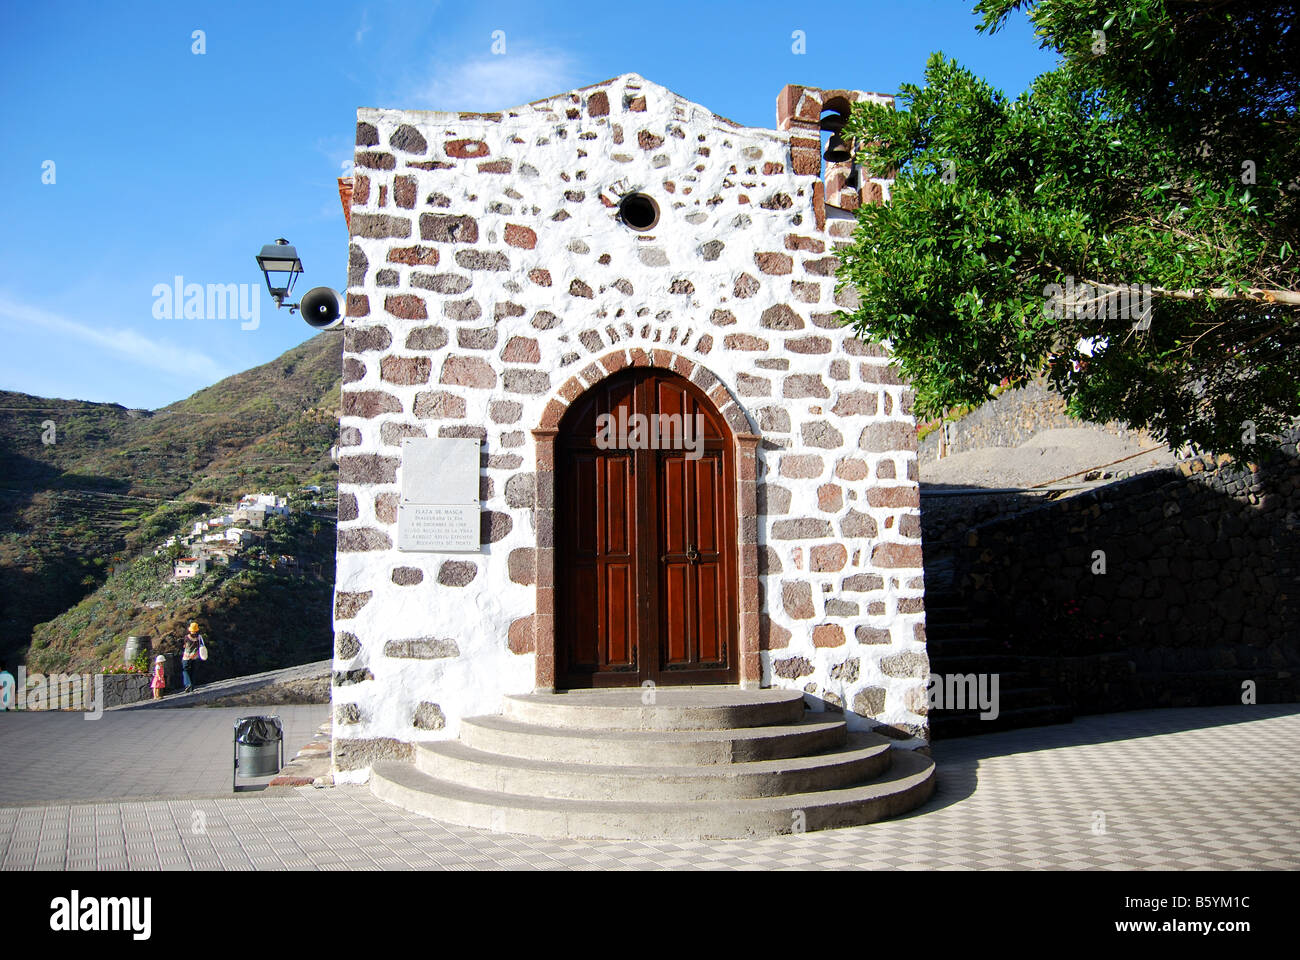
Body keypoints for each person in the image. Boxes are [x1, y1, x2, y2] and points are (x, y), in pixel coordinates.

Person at [182, 622, 206, 693]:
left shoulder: (187, 637)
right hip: (195, 657)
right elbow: (202, 645)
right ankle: (191, 687)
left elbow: (185, 645)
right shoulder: (199, 637)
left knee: (185, 670)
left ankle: (188, 684)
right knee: (193, 671)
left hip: (186, 657)